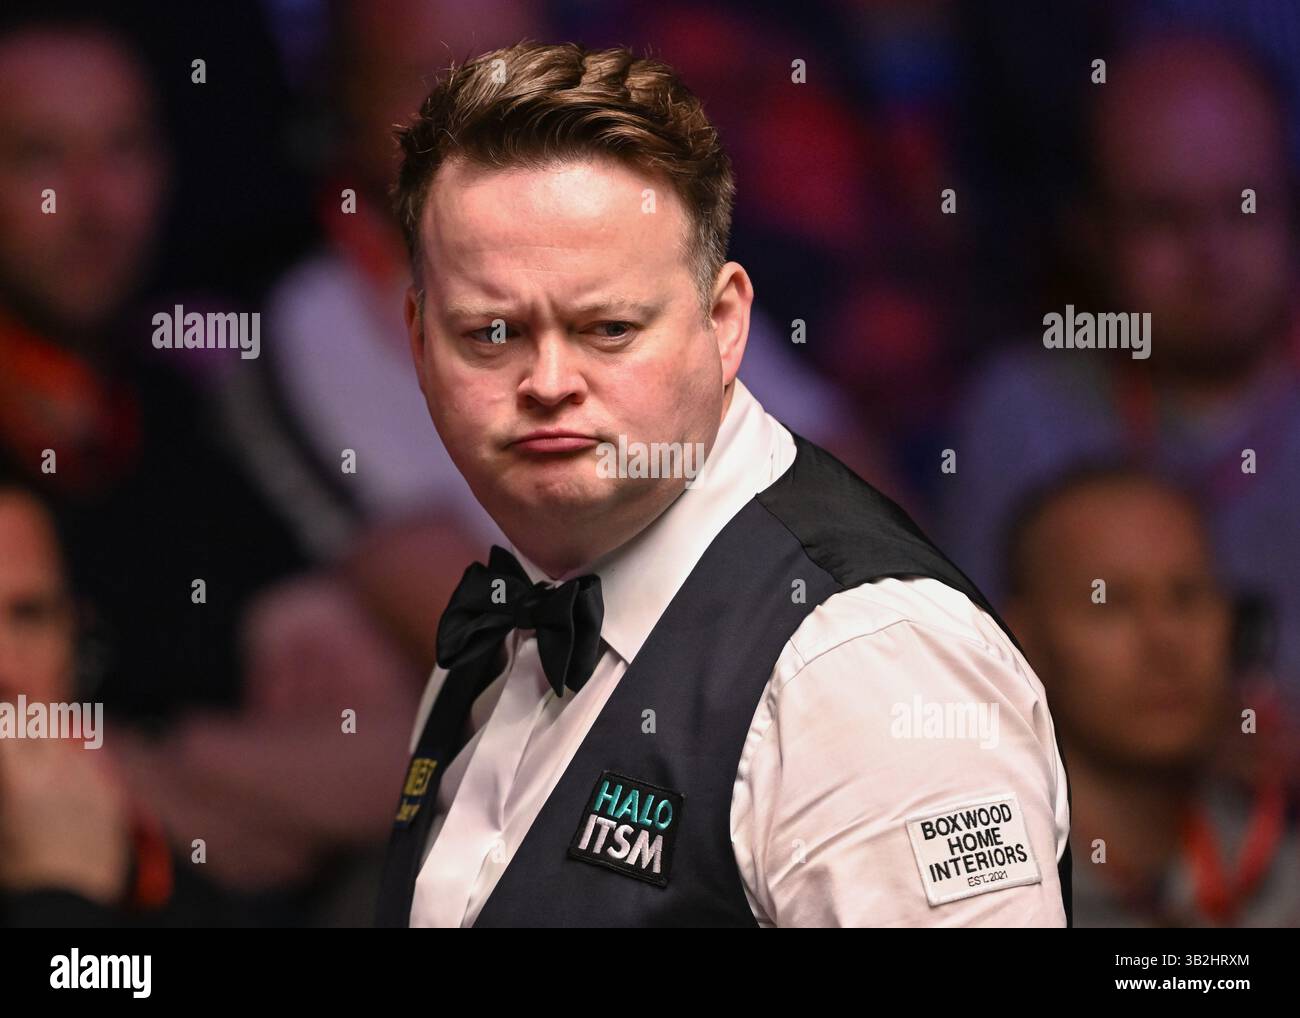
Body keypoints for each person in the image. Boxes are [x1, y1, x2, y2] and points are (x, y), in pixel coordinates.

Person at [373, 41, 1072, 928]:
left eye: (610, 327)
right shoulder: (499, 624)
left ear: (724, 323)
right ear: (419, 338)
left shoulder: (860, 661)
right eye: (491, 334)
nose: (547, 381)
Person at [1002, 466, 1300, 926]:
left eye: (1186, 596)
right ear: (1021, 641)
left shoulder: (1280, 878)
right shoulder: (983, 896)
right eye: (1110, 603)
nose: (1165, 642)